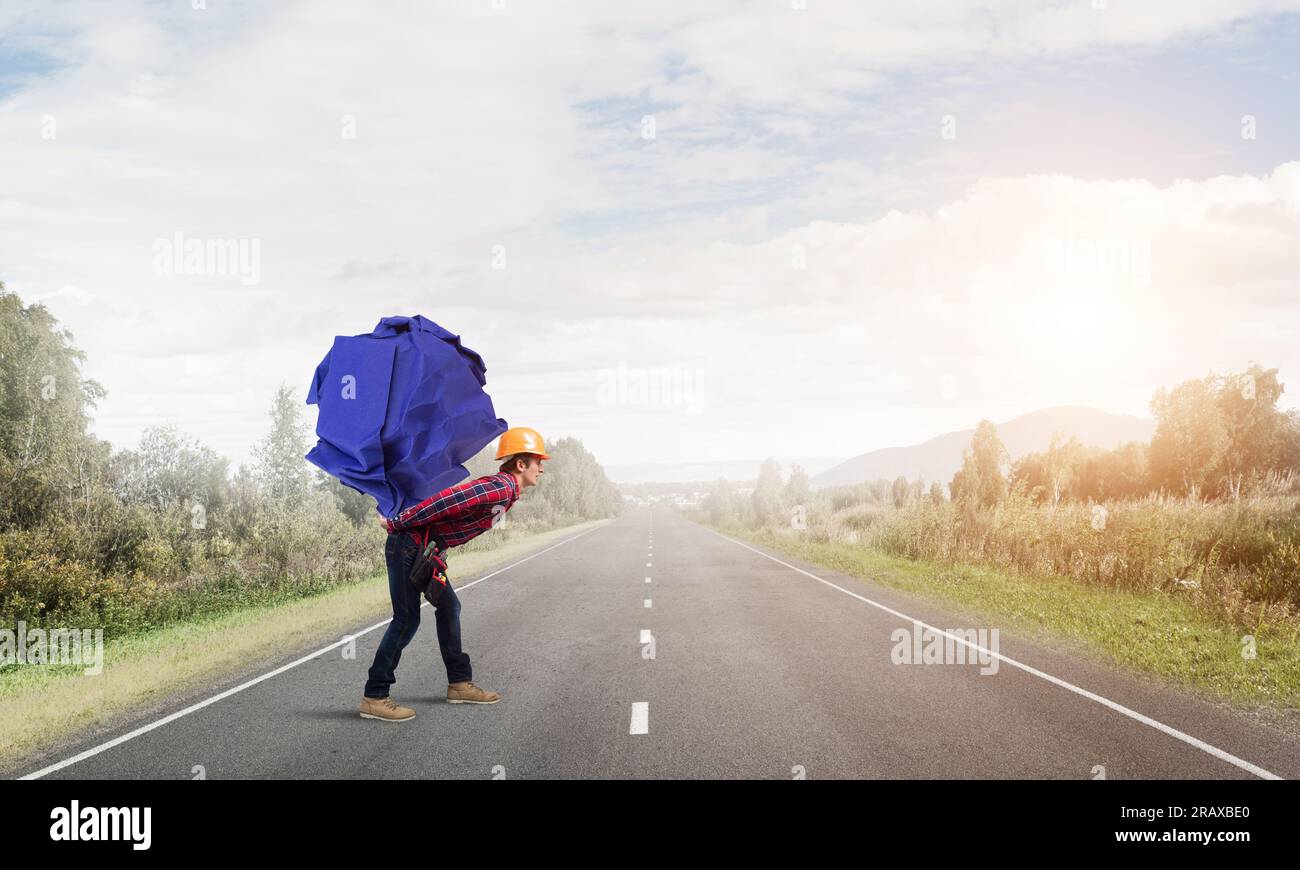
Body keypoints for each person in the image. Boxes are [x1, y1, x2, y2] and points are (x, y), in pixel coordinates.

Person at [358, 426, 549, 722]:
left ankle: (459, 684)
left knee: (450, 607)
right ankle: (375, 695)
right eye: (539, 462)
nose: (542, 468)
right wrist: (397, 523)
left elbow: (454, 520)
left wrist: (438, 552)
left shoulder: (508, 492)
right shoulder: (501, 487)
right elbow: (448, 500)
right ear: (521, 464)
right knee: (406, 619)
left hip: (422, 550)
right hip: (407, 544)